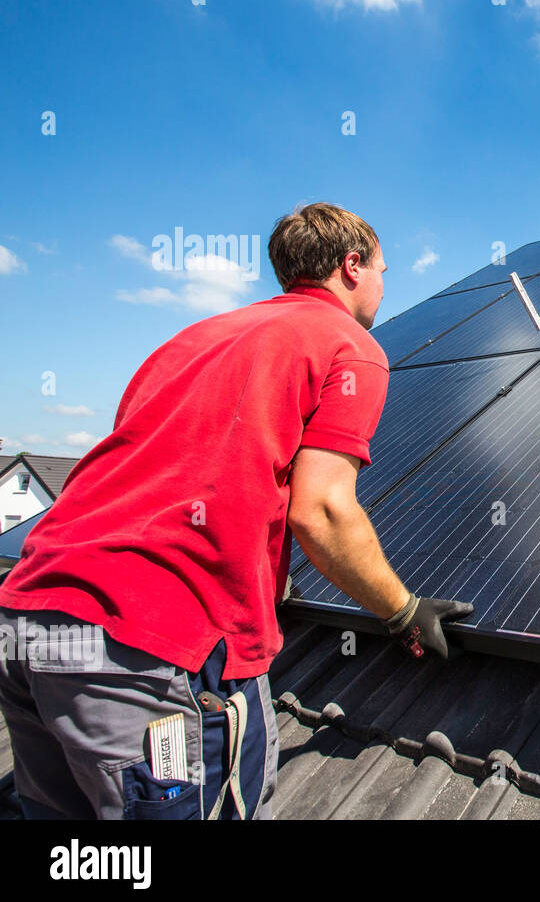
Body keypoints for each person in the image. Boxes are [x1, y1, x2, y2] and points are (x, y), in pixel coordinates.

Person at [0, 203, 471, 819]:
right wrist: (404, 611)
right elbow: (322, 510)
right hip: (151, 647)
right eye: (384, 269)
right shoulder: (348, 346)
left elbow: (172, 474)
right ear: (352, 267)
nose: (385, 285)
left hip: (30, 617)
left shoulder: (193, 338)